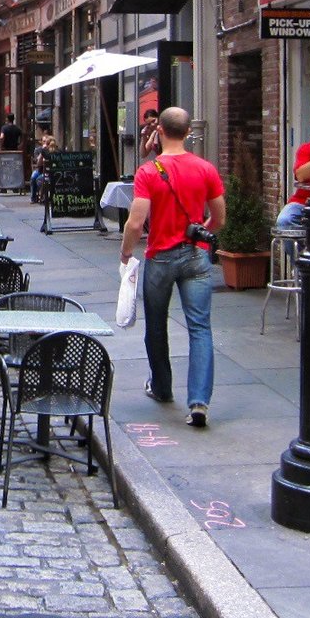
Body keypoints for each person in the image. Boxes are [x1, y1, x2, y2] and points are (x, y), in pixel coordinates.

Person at [120, 107, 225, 428]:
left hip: (161, 256)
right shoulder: (205, 168)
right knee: (200, 328)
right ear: (188, 132)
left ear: (160, 132)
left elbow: (135, 222)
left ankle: (162, 387)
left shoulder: (148, 172)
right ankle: (199, 402)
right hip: (195, 255)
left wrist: (126, 253)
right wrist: (201, 230)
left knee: (156, 325)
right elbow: (219, 218)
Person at [30, 134, 56, 202]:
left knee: (40, 179)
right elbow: (38, 163)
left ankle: (44, 196)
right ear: (41, 142)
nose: (44, 143)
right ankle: (33, 197)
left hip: (48, 171)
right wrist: (42, 152)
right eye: (43, 141)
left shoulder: (54, 150)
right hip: (40, 169)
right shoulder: (38, 150)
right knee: (33, 177)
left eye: (46, 142)